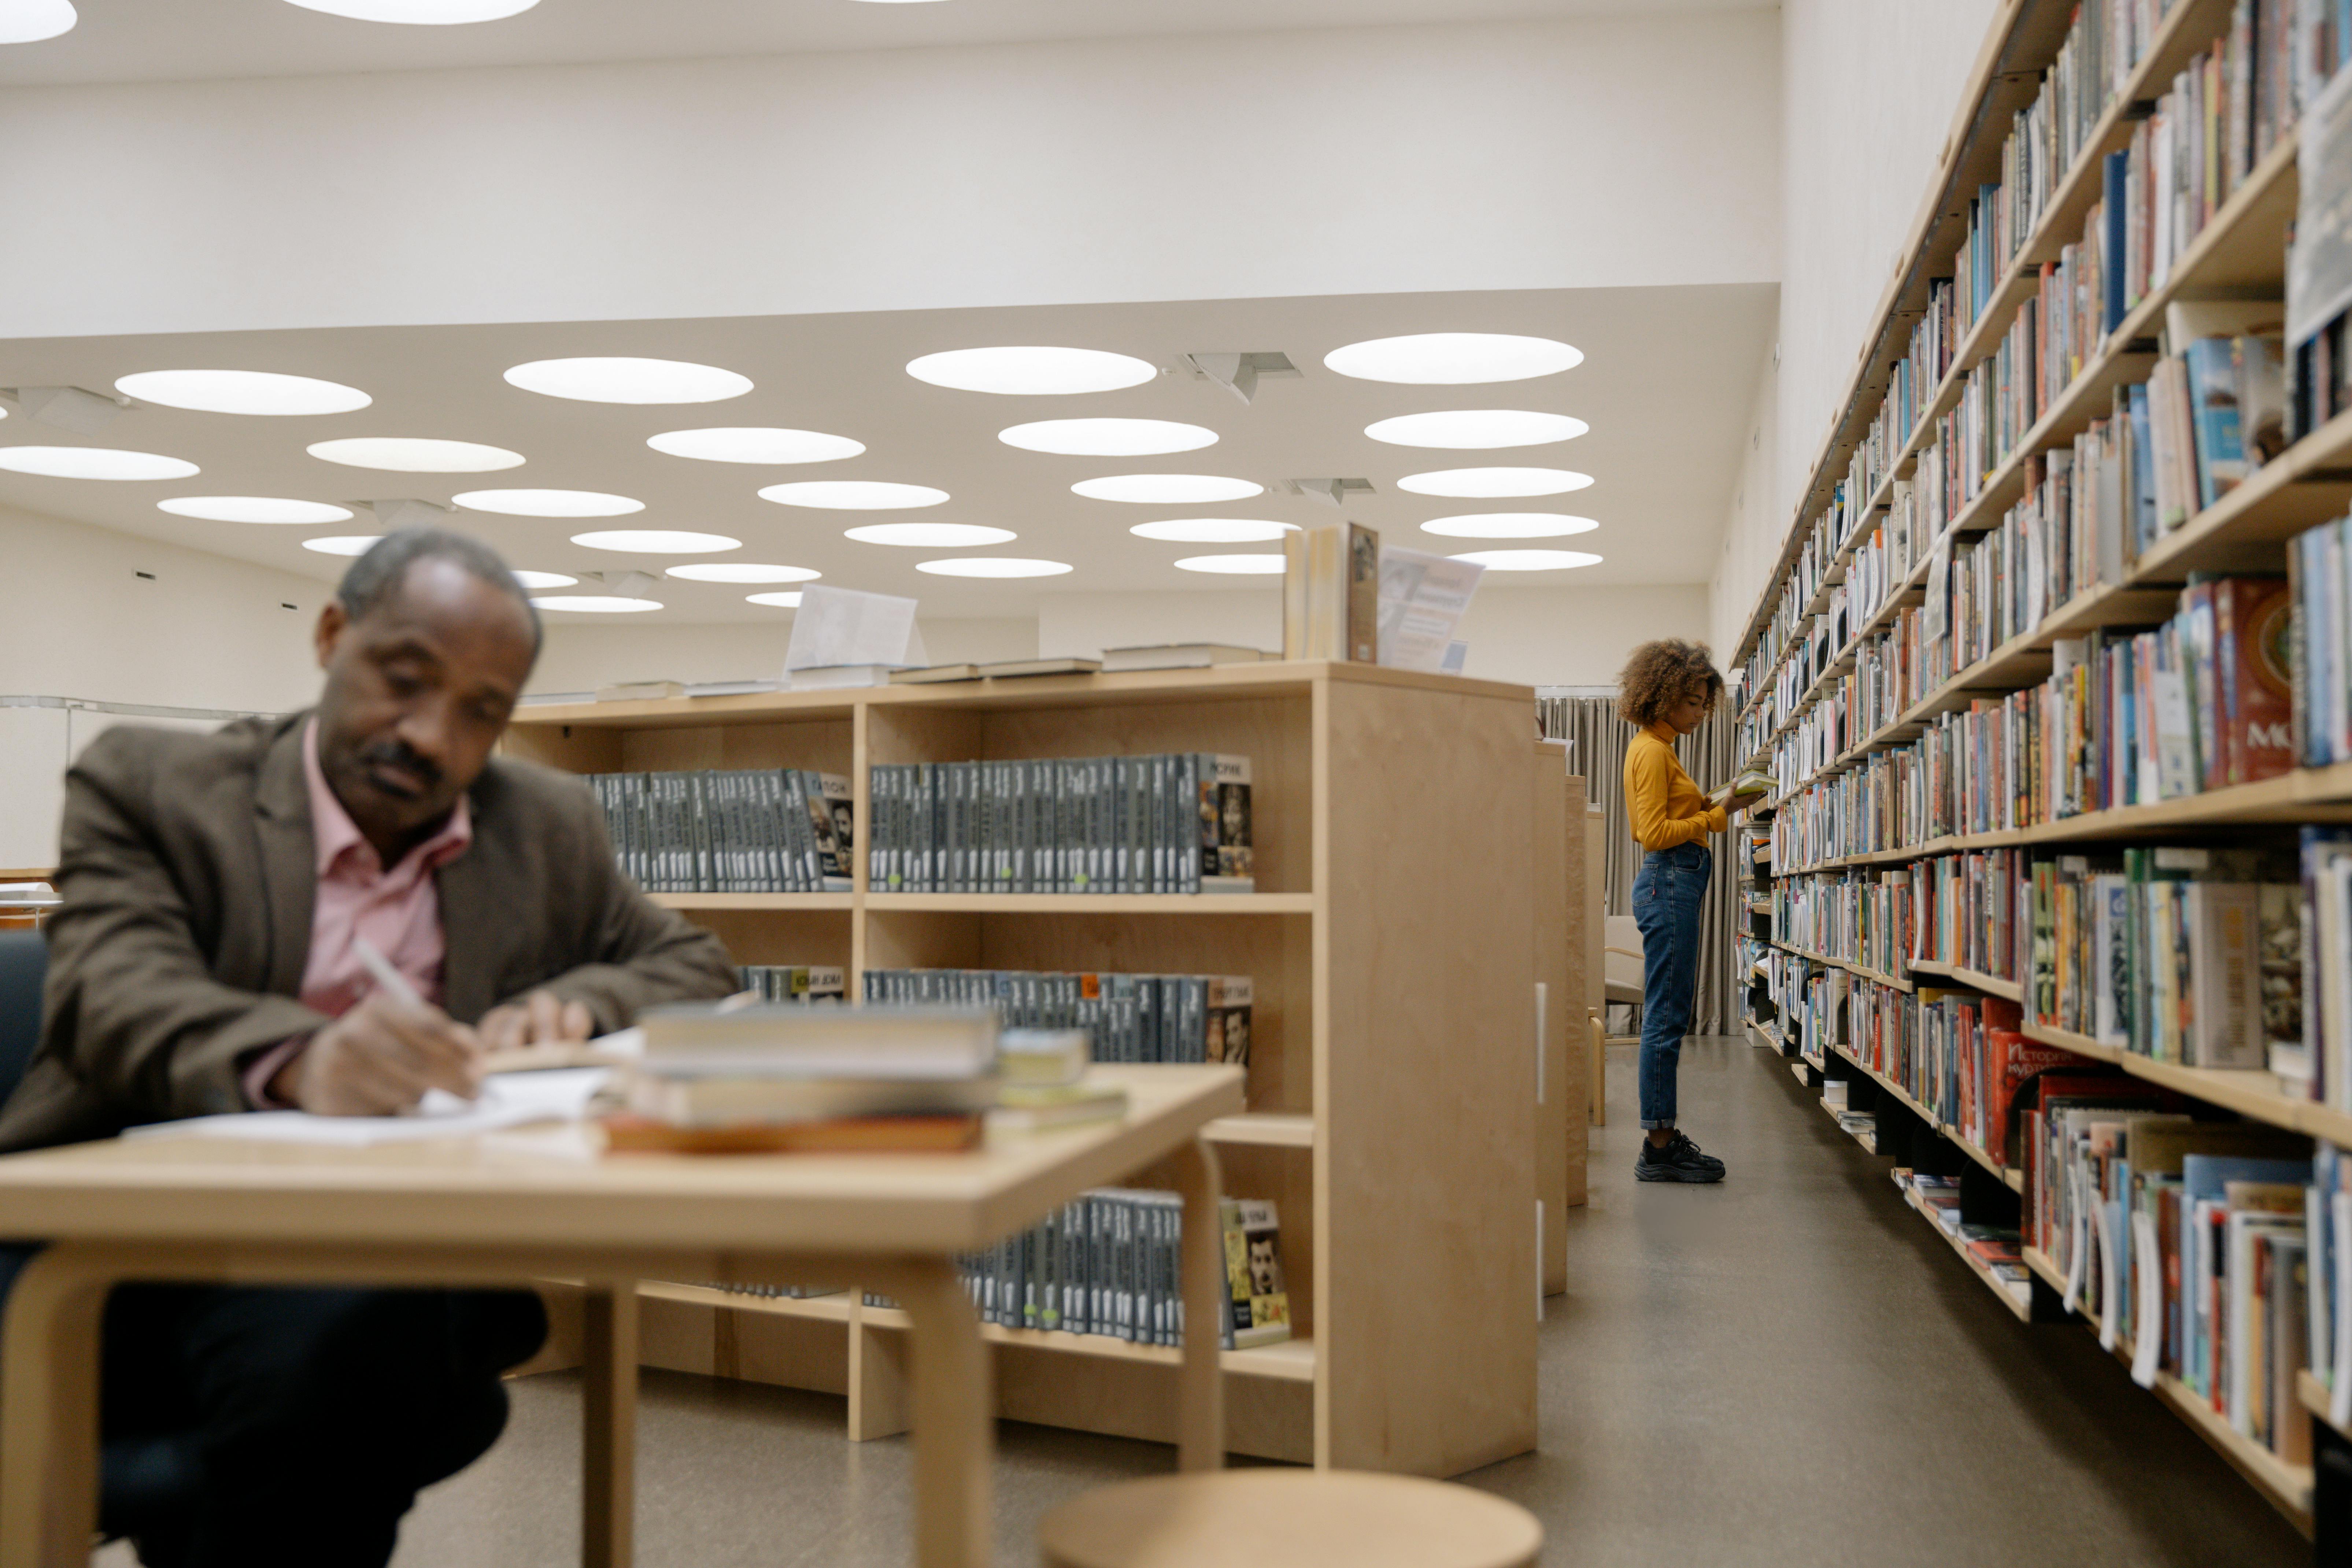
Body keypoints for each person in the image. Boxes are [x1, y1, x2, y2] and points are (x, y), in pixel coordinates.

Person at [0, 528, 739, 1567]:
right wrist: (305, 1062)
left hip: (390, 1253)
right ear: (333, 636)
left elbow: (695, 966)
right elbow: (114, 997)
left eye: (482, 713)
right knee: (348, 1372)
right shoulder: (157, 786)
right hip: (131, 1257)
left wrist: (578, 1000)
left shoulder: (542, 824)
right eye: (406, 681)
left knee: (345, 1349)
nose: (433, 737)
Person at [1616, 638, 1763, 1184]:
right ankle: (1658, 1145)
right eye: (1697, 702)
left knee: (1670, 1010)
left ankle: (1662, 1137)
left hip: (1676, 881)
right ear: (1667, 694)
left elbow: (1672, 813)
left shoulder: (1659, 746)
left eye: (1705, 703)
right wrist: (1717, 815)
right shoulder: (1653, 750)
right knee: (1667, 1014)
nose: (1703, 712)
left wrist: (1712, 804)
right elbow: (1651, 833)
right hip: (1670, 878)